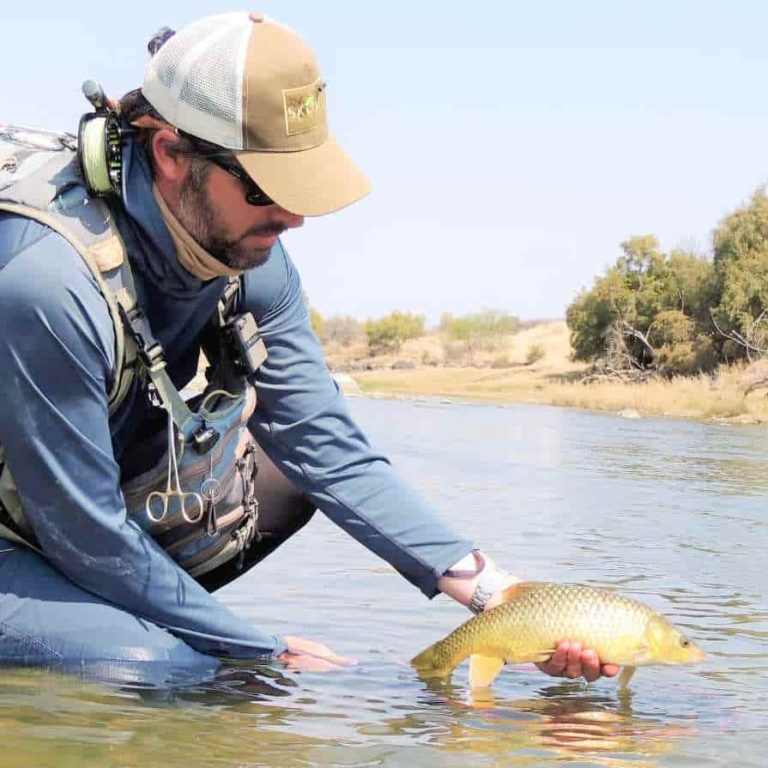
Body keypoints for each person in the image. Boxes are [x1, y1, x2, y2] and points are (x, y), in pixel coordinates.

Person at [0, 12, 617, 684]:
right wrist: (256, 649)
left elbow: (328, 449)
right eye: (265, 188)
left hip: (73, 519)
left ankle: (136, 619)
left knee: (294, 479)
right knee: (160, 664)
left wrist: (505, 598)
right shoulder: (47, 282)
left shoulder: (251, 254)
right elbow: (85, 537)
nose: (292, 218)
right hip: (44, 533)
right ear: (171, 154)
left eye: (299, 185)